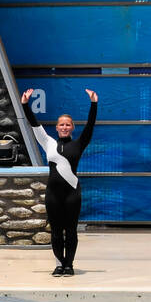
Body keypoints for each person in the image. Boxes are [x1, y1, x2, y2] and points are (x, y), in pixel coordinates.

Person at [21, 87, 97, 276]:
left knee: (70, 231)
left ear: (72, 128)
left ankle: (69, 265)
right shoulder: (48, 143)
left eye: (67, 125)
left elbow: (90, 125)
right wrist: (25, 104)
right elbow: (34, 124)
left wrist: (94, 103)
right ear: (56, 127)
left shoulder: (79, 143)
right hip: (53, 194)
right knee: (55, 231)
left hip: (72, 193)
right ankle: (59, 264)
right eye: (61, 124)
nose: (64, 127)